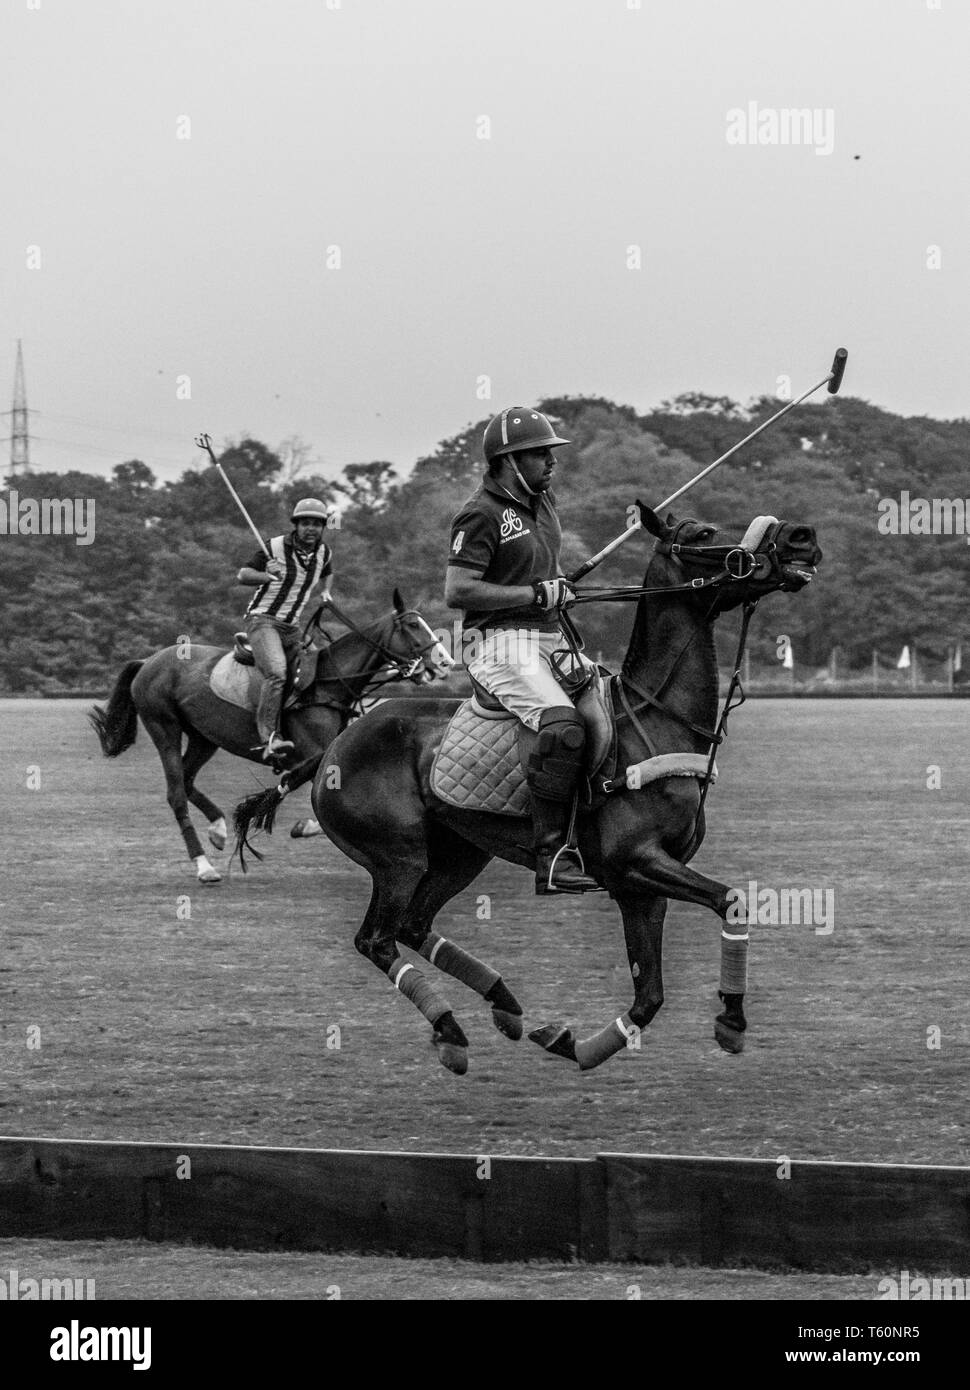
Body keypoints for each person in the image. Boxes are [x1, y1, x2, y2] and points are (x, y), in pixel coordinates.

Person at [445, 407, 600, 894]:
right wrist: (534, 594)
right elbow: (459, 590)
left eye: (552, 453)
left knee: (615, 708)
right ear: (509, 460)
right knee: (562, 724)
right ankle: (551, 855)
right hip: (498, 642)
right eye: (540, 454)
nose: (552, 462)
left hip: (552, 637)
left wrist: (557, 589)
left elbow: (538, 572)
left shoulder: (543, 501)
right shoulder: (480, 513)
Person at [237, 498, 334, 760]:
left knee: (320, 662)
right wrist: (266, 575)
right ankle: (270, 738)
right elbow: (243, 575)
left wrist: (325, 591)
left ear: (322, 527)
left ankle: (304, 720)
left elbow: (328, 571)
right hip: (263, 620)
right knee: (277, 673)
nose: (310, 529)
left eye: (316, 524)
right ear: (296, 525)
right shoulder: (274, 547)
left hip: (291, 627)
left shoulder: (324, 553)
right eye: (305, 523)